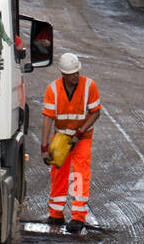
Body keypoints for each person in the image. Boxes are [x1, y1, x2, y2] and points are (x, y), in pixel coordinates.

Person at [40, 51, 101, 234]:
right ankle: (56, 214)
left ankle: (77, 217)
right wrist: (44, 147)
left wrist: (79, 133)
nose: (76, 76)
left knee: (80, 176)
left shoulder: (89, 86)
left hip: (81, 138)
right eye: (72, 74)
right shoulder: (53, 89)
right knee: (58, 174)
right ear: (63, 75)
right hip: (61, 138)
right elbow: (48, 119)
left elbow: (95, 113)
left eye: (77, 72)